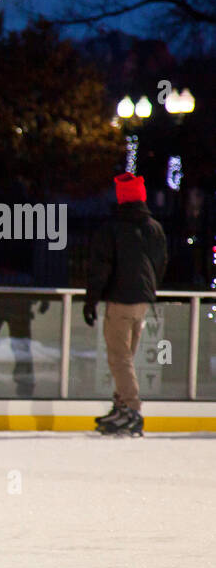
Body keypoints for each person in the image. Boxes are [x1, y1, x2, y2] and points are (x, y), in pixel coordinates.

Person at [85, 173, 168, 437]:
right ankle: (122, 406)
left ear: (121, 197)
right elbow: (161, 262)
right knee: (127, 357)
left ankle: (131, 408)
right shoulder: (154, 227)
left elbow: (101, 267)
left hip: (120, 300)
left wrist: (91, 299)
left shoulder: (113, 228)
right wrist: (149, 289)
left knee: (119, 357)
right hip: (142, 300)